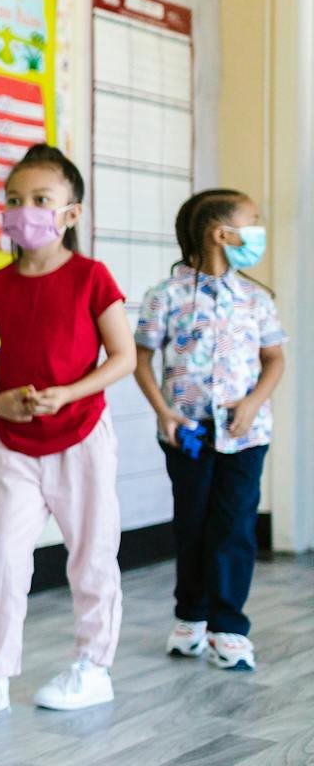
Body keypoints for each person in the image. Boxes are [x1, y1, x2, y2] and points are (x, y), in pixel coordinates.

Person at [0, 144, 134, 723]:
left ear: (71, 214)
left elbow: (124, 357)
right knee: (4, 560)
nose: (24, 209)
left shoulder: (91, 278)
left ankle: (93, 666)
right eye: (14, 200)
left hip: (82, 437)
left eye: (40, 199)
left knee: (91, 554)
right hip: (16, 446)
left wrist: (71, 392)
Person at [134, 189, 287, 672]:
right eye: (253, 221)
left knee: (235, 526)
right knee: (193, 523)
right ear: (223, 234)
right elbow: (141, 359)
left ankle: (229, 627)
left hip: (245, 434)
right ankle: (191, 615)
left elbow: (275, 360)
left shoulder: (255, 299)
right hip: (188, 434)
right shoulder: (166, 297)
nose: (259, 231)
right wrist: (164, 412)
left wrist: (252, 403)